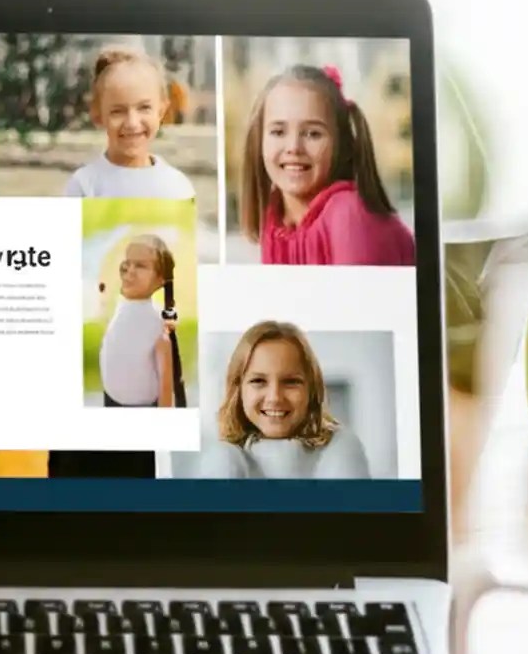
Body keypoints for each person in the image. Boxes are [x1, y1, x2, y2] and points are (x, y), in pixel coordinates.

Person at [237, 65, 414, 266]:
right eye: (278, 132)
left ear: (341, 143)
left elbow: (355, 297)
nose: (294, 147)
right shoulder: (276, 219)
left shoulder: (348, 214)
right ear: (258, 141)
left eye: (313, 134)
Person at [178, 321, 370, 479]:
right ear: (238, 390)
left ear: (311, 390)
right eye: (259, 381)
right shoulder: (224, 457)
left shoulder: (342, 448)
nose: (275, 397)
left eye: (291, 382)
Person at [63, 45, 195, 199]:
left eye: (144, 107)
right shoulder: (84, 186)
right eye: (117, 111)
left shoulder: (177, 186)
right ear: (97, 115)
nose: (132, 123)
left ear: (161, 111)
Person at [98, 235, 179, 408]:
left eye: (141, 266)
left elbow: (166, 385)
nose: (130, 270)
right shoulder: (120, 305)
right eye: (128, 263)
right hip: (110, 399)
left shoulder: (157, 324)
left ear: (160, 280)